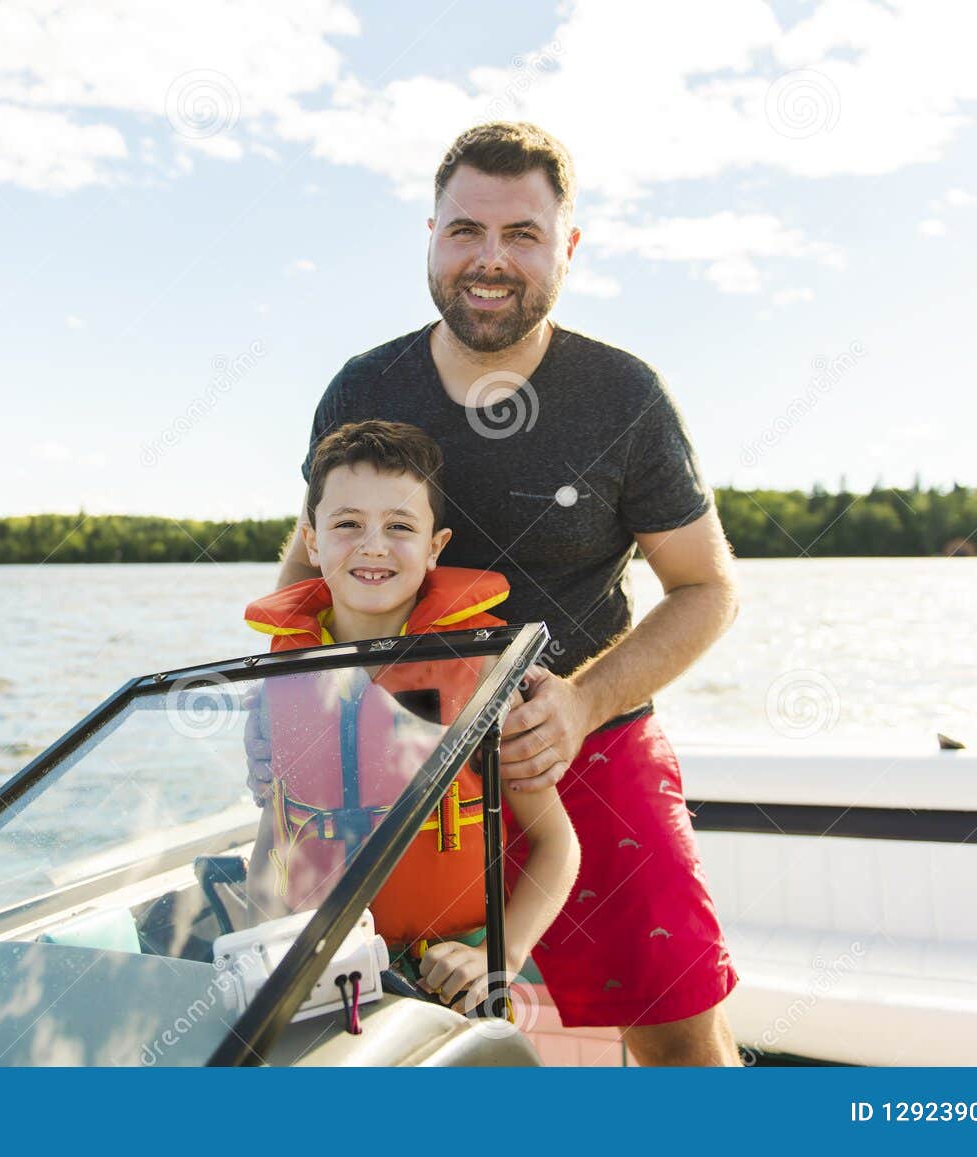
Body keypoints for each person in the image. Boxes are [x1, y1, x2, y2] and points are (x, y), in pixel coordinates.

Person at [249, 122, 742, 1065]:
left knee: (681, 1029)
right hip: (392, 762)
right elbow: (314, 550)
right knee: (382, 1029)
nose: (489, 260)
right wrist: (277, 717)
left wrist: (582, 699)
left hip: (584, 744)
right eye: (465, 231)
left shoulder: (625, 396)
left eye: (522, 234)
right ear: (430, 233)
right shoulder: (363, 387)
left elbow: (707, 587)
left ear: (568, 246)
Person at [242, 419, 579, 1012]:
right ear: (311, 541)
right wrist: (260, 951)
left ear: (435, 548)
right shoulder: (283, 676)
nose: (373, 545)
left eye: (399, 526)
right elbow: (275, 835)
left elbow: (558, 845)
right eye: (347, 524)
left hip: (453, 974)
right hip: (318, 971)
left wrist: (499, 956)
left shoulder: (483, 675)